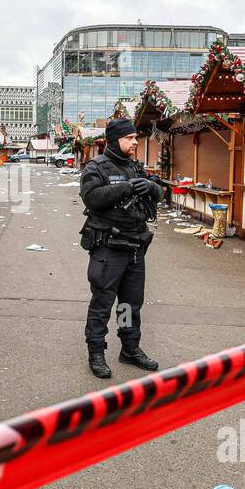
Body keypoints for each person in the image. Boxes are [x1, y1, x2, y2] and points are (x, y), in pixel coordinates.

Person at [78, 118, 163, 379]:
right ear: (116, 140)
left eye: (135, 137)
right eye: (130, 138)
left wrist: (151, 187)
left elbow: (161, 194)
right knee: (102, 303)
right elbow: (91, 197)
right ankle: (96, 352)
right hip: (108, 249)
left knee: (129, 304)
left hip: (135, 247)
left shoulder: (136, 167)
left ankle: (129, 347)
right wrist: (125, 189)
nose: (136, 142)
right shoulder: (96, 167)